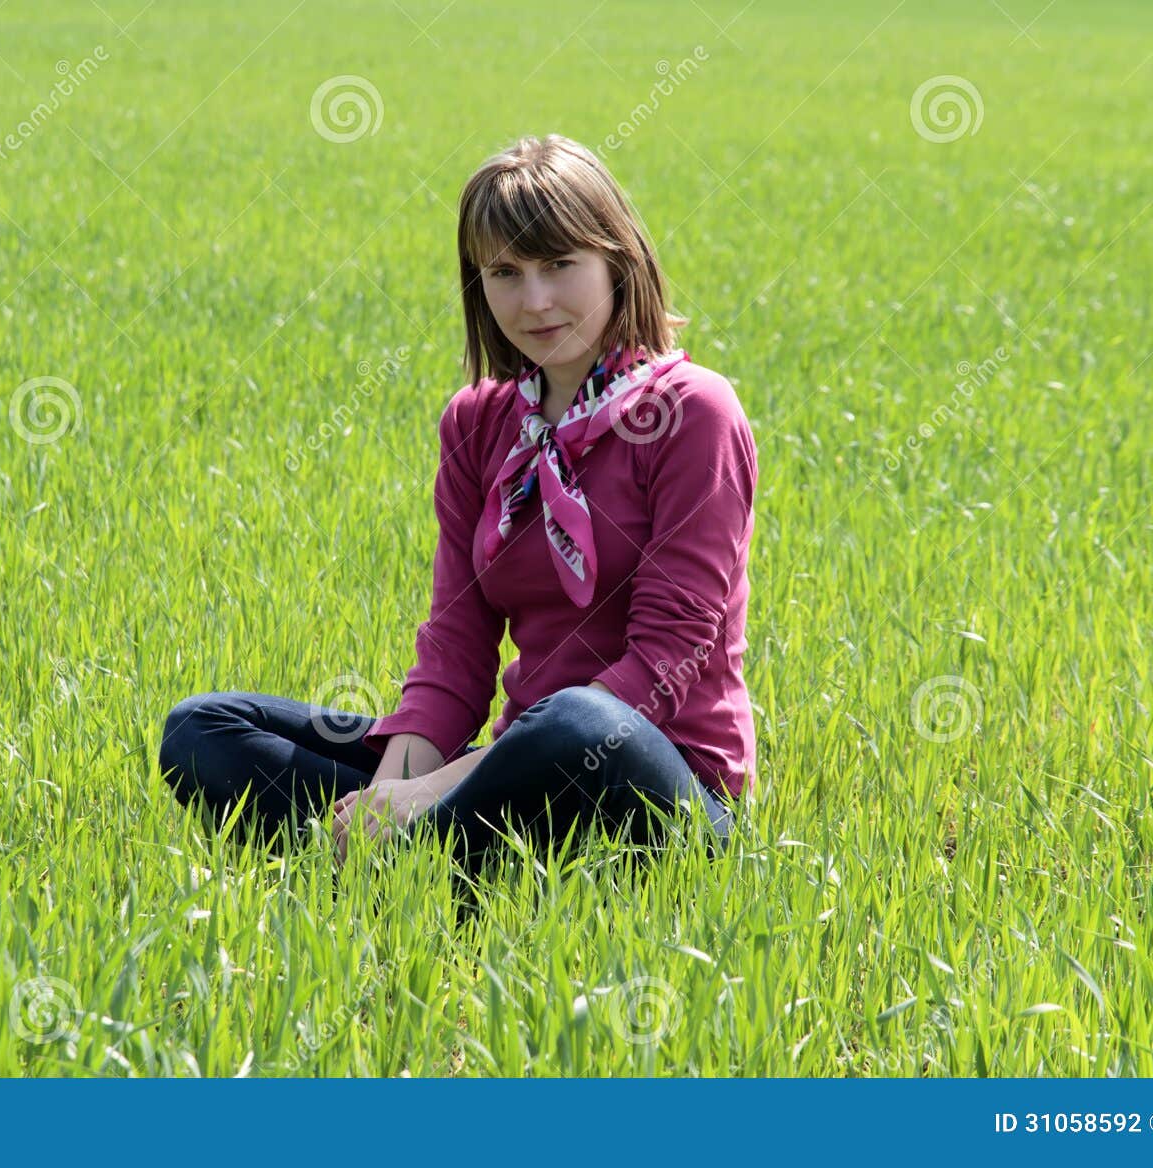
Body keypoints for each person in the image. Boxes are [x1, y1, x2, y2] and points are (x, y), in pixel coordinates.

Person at [157, 133, 758, 867]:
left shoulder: (694, 413)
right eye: (505, 272)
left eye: (560, 265)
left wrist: (435, 789)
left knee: (572, 718)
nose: (533, 301)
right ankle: (418, 856)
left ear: (619, 262)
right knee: (204, 729)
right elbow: (457, 647)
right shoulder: (478, 424)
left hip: (654, 782)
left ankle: (415, 857)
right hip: (512, 770)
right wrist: (390, 795)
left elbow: (668, 659)